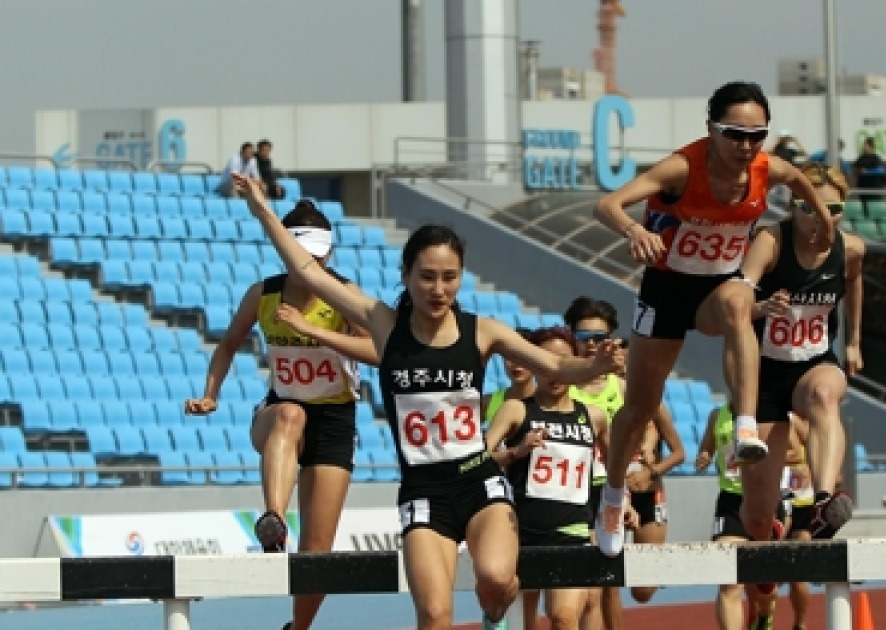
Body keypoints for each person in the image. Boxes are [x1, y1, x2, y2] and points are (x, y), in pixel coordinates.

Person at [232, 172, 623, 630]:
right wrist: (262, 209)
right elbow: (306, 271)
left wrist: (596, 367)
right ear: (407, 276)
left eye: (449, 278)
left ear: (461, 278)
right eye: (427, 277)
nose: (438, 289)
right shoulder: (383, 323)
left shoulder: (482, 332)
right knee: (435, 615)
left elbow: (555, 368)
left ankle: (497, 607)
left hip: (477, 482)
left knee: (496, 578)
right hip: (423, 491)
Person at [591, 80, 836, 557]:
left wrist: (823, 219)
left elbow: (800, 180)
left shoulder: (768, 168)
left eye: (756, 135)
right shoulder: (683, 167)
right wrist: (634, 229)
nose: (746, 146)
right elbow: (606, 204)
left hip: (715, 286)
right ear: (711, 129)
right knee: (640, 405)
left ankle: (745, 423)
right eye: (734, 134)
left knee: (739, 300)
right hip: (666, 289)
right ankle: (613, 494)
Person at [183, 200, 378, 630]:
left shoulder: (346, 298)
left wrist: (314, 331)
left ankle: (298, 628)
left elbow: (379, 351)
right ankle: (273, 519)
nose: (308, 261)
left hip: (334, 421)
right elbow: (230, 343)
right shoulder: (263, 294)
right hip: (278, 416)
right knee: (291, 414)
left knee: (317, 554)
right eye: (298, 252)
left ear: (328, 254)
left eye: (316, 254)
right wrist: (210, 394)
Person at [737, 160, 863, 545]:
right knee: (758, 517)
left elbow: (855, 284)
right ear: (793, 205)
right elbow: (737, 299)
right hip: (765, 374)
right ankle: (769, 545)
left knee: (824, 395)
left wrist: (855, 340)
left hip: (813, 362)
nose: (820, 219)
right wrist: (762, 308)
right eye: (808, 209)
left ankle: (823, 501)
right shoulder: (771, 241)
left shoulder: (852, 249)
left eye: (832, 210)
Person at [564, 296, 684, 629]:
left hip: (643, 489)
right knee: (603, 581)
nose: (591, 346)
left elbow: (669, 444)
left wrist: (651, 469)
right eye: (584, 338)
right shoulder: (565, 389)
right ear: (571, 337)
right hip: (594, 491)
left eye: (599, 338)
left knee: (643, 590)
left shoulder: (630, 388)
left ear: (612, 340)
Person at [484, 327, 611, 630]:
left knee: (564, 618)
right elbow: (479, 460)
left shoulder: (594, 417)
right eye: (545, 361)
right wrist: (518, 451)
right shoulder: (515, 409)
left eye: (564, 361)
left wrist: (622, 501)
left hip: (572, 529)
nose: (554, 371)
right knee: (518, 619)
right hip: (518, 532)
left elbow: (613, 465)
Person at [695, 404, 785, 630]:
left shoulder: (770, 413)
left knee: (762, 590)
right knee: (729, 582)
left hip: (764, 502)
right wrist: (704, 456)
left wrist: (762, 457)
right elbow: (707, 448)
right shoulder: (717, 415)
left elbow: (794, 450)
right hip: (731, 503)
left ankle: (763, 616)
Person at [783, 414, 814, 630]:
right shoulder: (782, 418)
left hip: (803, 502)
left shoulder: (820, 425)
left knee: (798, 572)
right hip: (777, 500)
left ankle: (800, 622)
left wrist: (812, 473)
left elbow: (837, 476)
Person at [482, 329, 537, 429]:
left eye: (523, 356)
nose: (516, 362)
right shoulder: (487, 402)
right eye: (510, 356)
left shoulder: (552, 402)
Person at [852, 137, 886, 203]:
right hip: (863, 189)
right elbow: (854, 168)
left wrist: (867, 172)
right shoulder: (861, 158)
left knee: (874, 208)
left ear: (871, 147)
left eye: (865, 145)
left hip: (874, 190)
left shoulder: (875, 158)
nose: (864, 147)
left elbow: (881, 171)